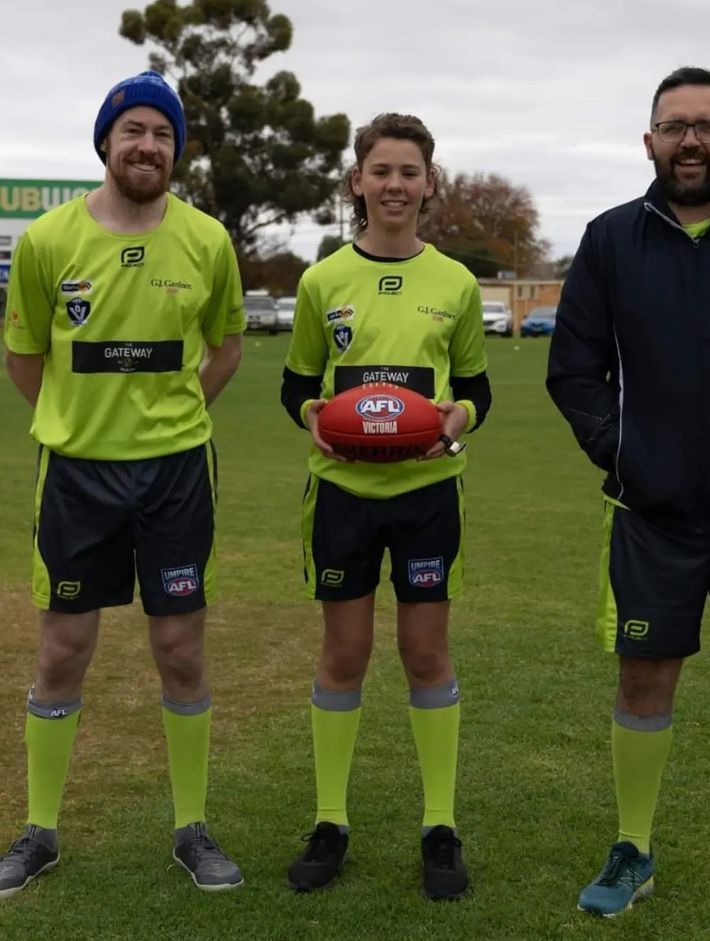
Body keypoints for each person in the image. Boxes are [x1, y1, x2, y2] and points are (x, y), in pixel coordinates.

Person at [0, 70, 245, 897]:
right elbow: (24, 356)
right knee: (63, 650)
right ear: (105, 141)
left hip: (176, 475)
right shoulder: (46, 241)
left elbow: (227, 346)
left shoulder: (208, 241)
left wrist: (172, 415)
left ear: (177, 150)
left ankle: (192, 827)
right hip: (76, 477)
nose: (148, 145)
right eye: (134, 130)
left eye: (164, 134)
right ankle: (38, 832)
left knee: (180, 650)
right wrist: (82, 422)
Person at [547, 65, 710, 916]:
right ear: (649, 141)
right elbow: (574, 372)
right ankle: (633, 848)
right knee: (644, 679)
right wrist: (626, 455)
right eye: (675, 126)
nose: (690, 140)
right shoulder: (609, 240)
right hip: (654, 518)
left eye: (706, 125)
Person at [280, 113, 491, 899]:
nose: (395, 185)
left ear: (429, 183)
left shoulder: (457, 282)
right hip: (342, 497)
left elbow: (474, 388)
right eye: (381, 171)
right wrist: (316, 423)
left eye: (410, 172)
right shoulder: (322, 281)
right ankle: (331, 821)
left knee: (427, 656)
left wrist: (457, 423)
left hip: (428, 497)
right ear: (357, 182)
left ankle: (441, 826)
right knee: (345, 654)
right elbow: (299, 384)